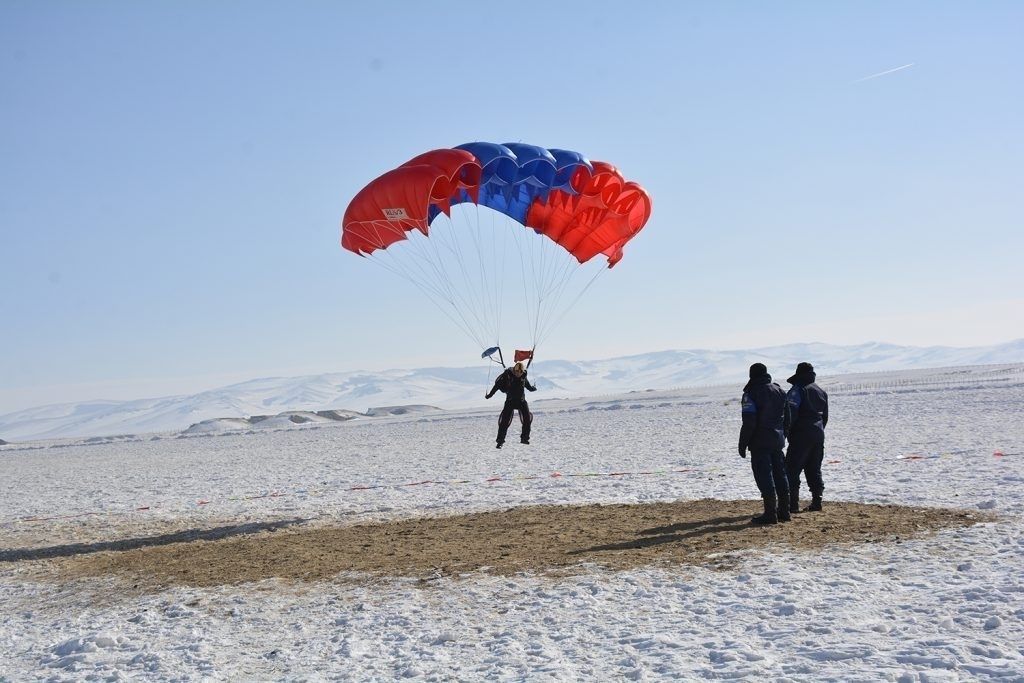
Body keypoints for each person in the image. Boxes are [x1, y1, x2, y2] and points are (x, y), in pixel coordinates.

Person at [738, 363, 791, 524]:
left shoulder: (751, 393)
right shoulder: (779, 390)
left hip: (760, 442)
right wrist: (783, 434)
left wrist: (742, 444)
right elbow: (787, 417)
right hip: (777, 440)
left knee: (764, 476)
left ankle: (770, 514)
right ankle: (784, 511)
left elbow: (749, 422)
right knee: (780, 475)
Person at [784, 362, 829, 512]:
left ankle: (793, 505)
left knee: (791, 469)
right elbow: (825, 417)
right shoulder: (821, 391)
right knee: (814, 469)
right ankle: (817, 502)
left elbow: (791, 414)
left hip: (801, 435)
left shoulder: (798, 390)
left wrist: (786, 432)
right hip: (818, 434)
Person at [485, 361, 536, 448]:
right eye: (517, 371)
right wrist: (490, 395)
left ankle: (524, 438)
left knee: (527, 419)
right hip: (510, 402)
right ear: (514, 370)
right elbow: (497, 386)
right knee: (504, 422)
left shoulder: (523, 376)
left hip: (521, 401)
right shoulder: (507, 376)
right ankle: (500, 442)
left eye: (520, 372)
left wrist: (532, 389)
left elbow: (527, 385)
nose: (518, 373)